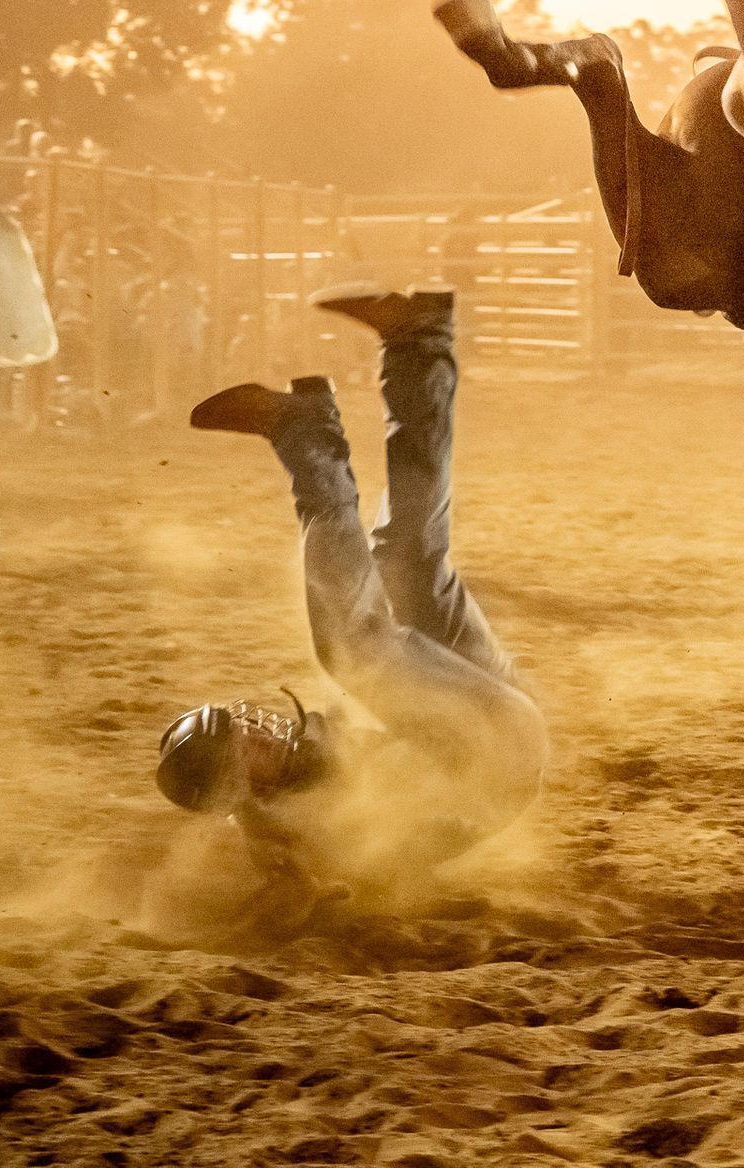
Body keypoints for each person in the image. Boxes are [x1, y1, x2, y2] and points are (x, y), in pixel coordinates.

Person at [155, 284, 547, 908]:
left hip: (481, 722)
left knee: (409, 557)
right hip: (492, 750)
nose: (259, 725)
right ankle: (307, 440)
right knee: (353, 650)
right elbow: (318, 885)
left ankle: (418, 343)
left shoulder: (290, 795)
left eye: (241, 721)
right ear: (238, 789)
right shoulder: (289, 830)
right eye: (243, 743)